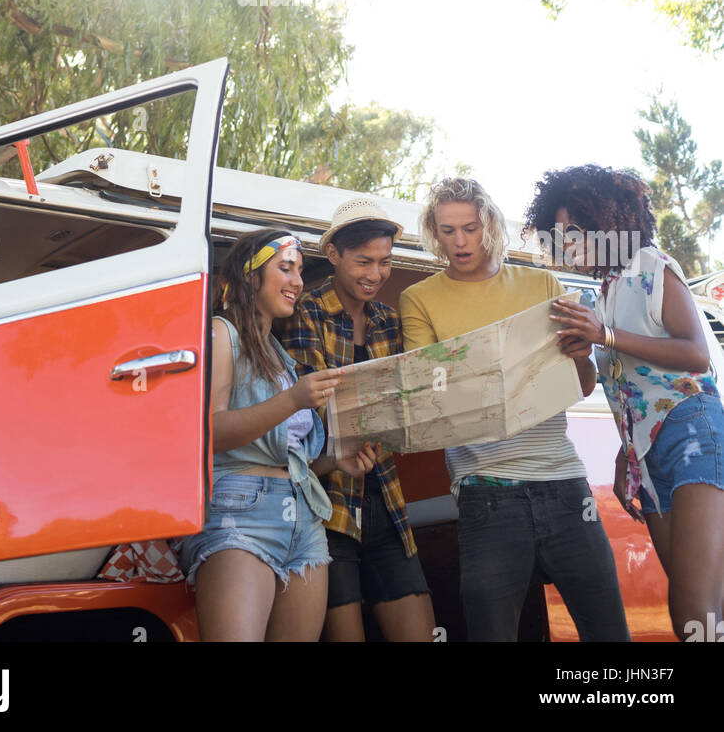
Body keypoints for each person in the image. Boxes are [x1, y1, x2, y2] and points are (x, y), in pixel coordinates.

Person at [400, 176, 630, 642]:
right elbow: (427, 396)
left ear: (489, 224)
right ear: (433, 232)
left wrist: (582, 354)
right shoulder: (418, 299)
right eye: (447, 230)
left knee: (609, 632)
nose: (460, 241)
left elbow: (581, 386)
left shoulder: (541, 282)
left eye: (470, 227)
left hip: (565, 483)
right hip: (485, 491)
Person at [524, 164, 724, 642]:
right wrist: (624, 454)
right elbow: (624, 390)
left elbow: (696, 354)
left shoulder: (651, 266)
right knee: (699, 607)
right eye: (558, 233)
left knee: (694, 611)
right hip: (647, 456)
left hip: (693, 430)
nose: (565, 241)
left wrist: (606, 336)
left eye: (574, 230)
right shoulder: (604, 293)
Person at [179, 227, 377, 642]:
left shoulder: (277, 354)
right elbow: (208, 431)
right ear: (250, 277)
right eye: (285, 269)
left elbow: (286, 458)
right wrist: (293, 400)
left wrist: (334, 462)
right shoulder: (221, 332)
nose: (298, 282)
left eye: (300, 271)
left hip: (304, 520)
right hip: (240, 515)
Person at [278, 196, 435, 641]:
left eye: (385, 262)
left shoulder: (388, 319)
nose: (376, 274)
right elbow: (308, 411)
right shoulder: (305, 312)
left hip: (384, 495)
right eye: (364, 261)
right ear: (334, 256)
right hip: (325, 504)